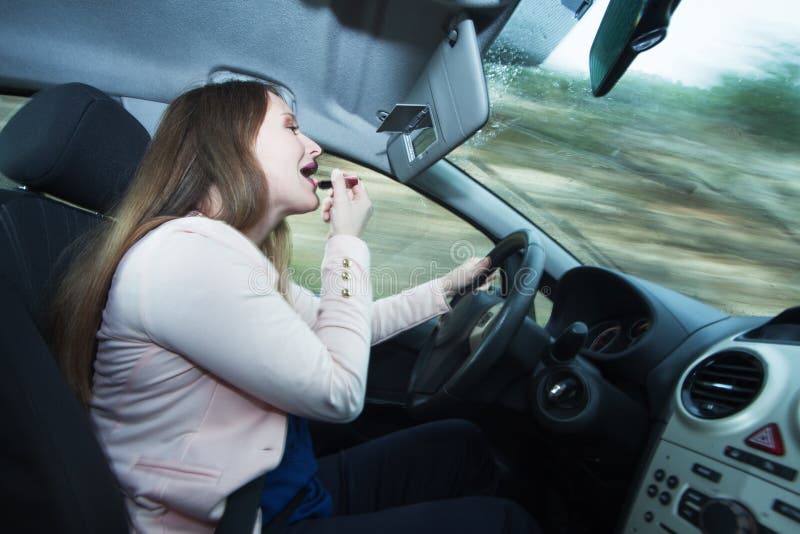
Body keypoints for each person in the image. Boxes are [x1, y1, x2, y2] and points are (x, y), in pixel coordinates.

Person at [50, 81, 541, 533]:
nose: (314, 147)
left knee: (460, 446)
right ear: (232, 144)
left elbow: (339, 327)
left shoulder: (222, 253)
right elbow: (339, 391)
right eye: (291, 127)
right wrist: (346, 241)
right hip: (242, 521)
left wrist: (447, 290)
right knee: (503, 523)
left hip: (278, 490)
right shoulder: (184, 256)